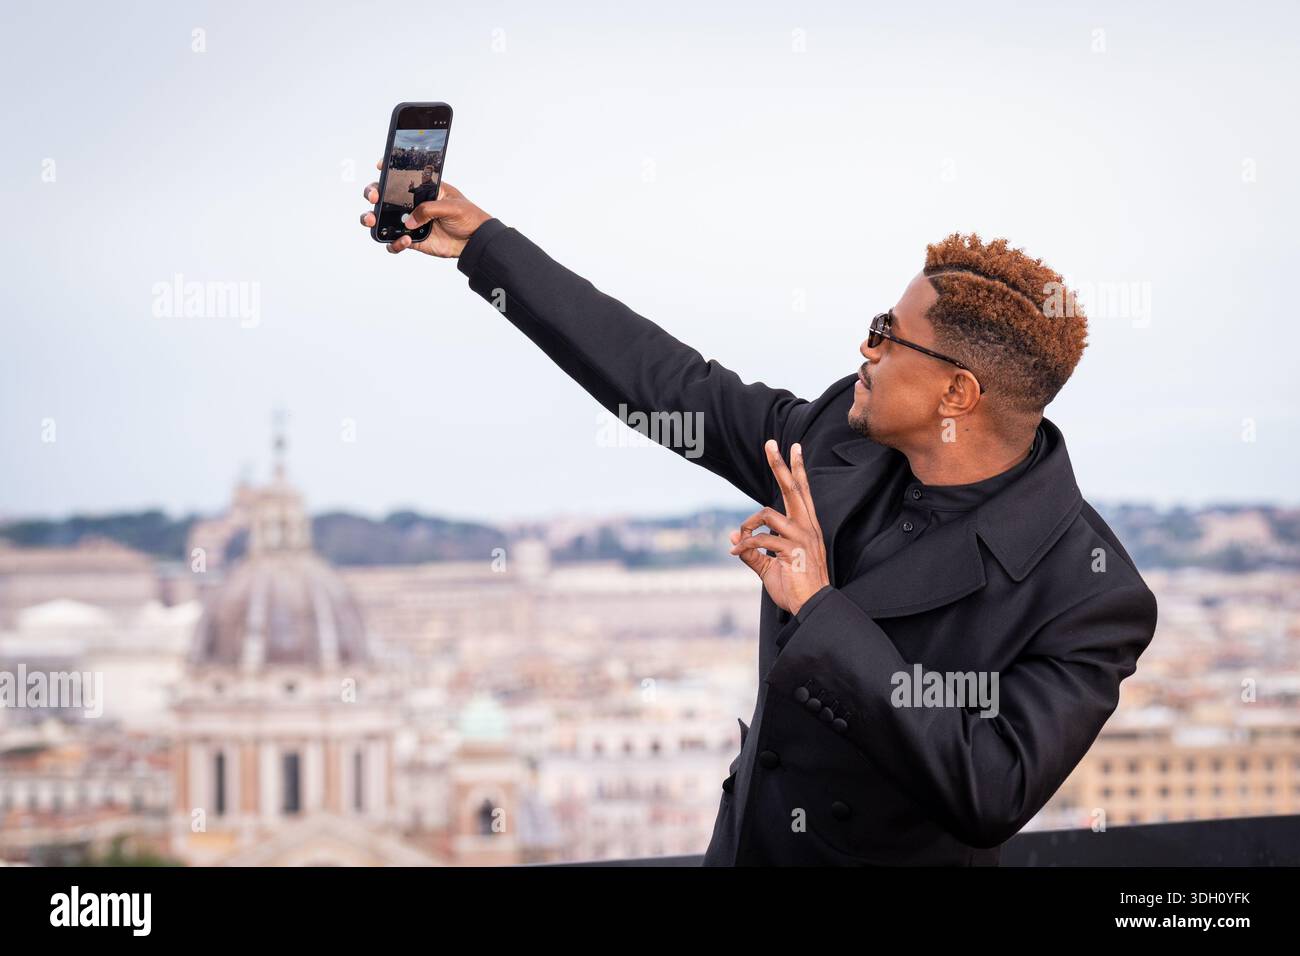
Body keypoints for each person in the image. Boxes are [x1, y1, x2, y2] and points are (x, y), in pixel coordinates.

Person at [357, 174, 1158, 866]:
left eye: (887, 335)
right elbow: (670, 386)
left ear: (957, 395)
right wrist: (484, 247)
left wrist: (819, 608)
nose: (865, 350)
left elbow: (989, 790)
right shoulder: (838, 442)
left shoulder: (1090, 595)